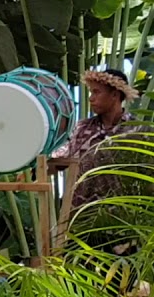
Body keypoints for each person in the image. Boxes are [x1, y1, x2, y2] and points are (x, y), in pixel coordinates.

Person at [54, 68, 140, 211]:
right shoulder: (81, 129)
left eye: (96, 92)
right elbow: (58, 160)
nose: (91, 98)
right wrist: (33, 171)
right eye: (91, 92)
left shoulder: (138, 132)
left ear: (114, 94)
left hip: (125, 217)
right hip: (82, 216)